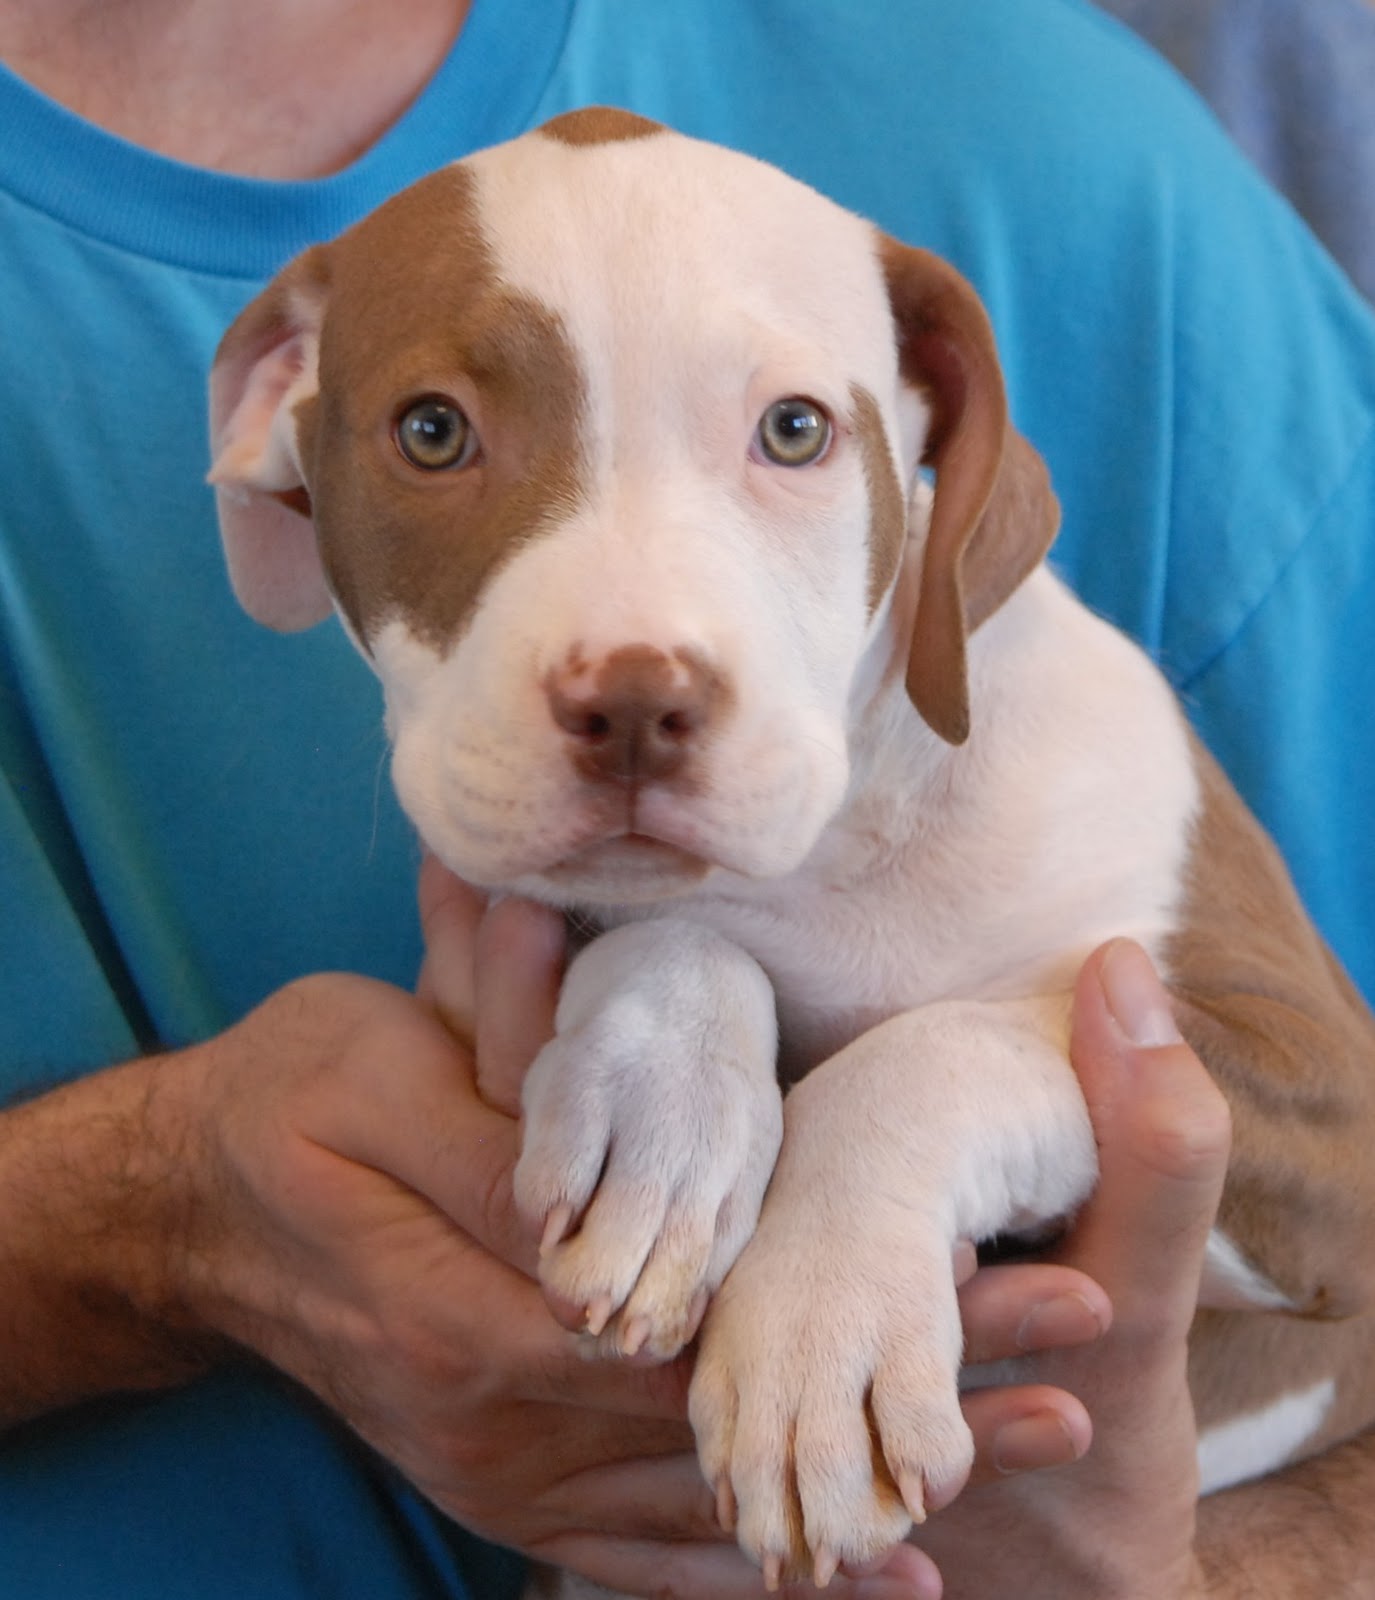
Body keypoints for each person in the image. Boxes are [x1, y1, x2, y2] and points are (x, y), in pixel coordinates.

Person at [1, 1, 1373, 1595]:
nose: (633, 668)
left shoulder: (1052, 146)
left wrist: (925, 1123)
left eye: (791, 433)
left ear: (939, 459)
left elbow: (1341, 1208)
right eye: (438, 432)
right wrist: (154, 1216)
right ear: (273, 442)